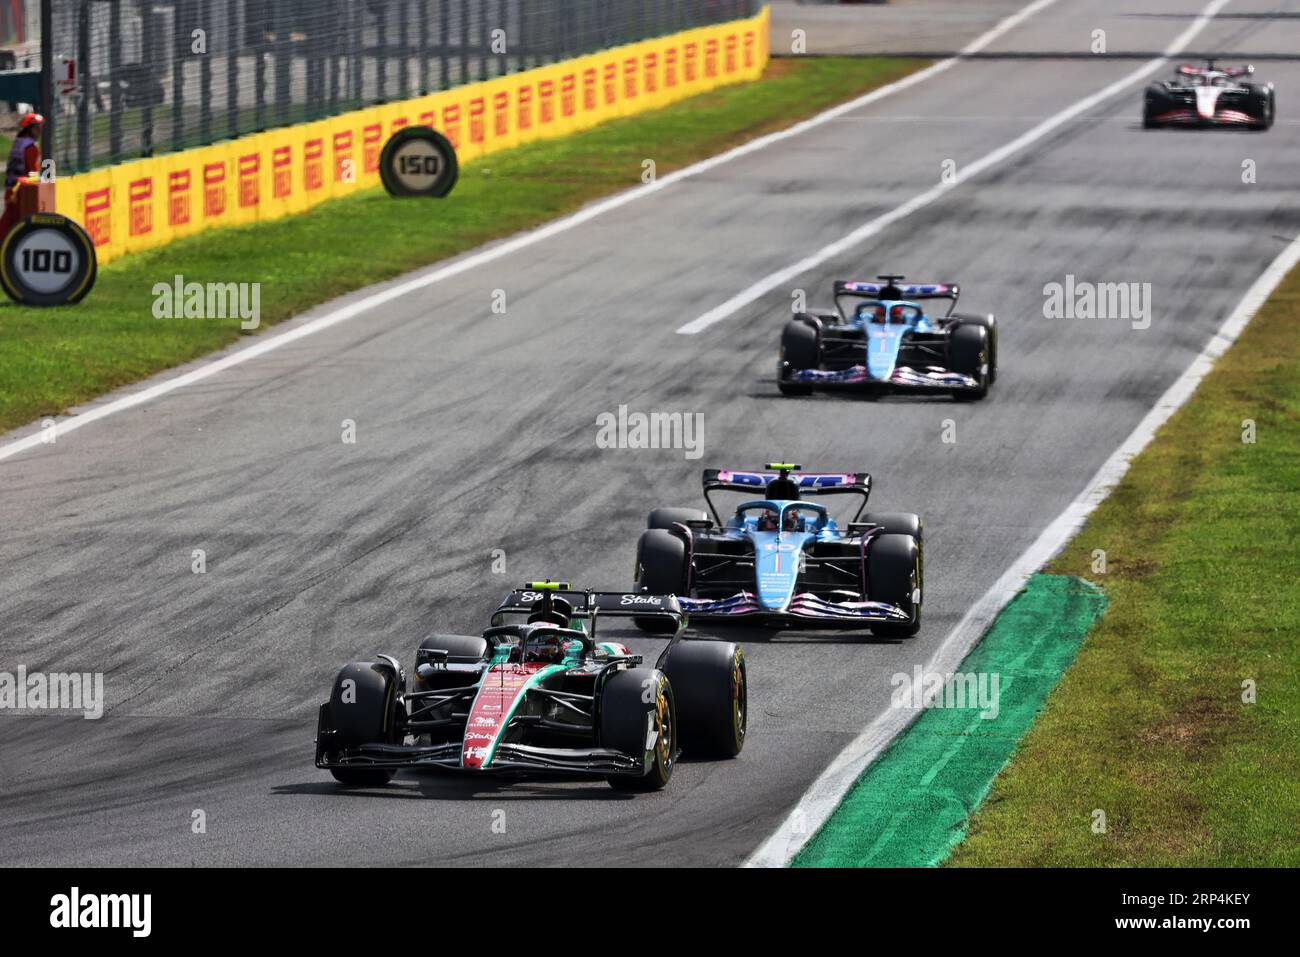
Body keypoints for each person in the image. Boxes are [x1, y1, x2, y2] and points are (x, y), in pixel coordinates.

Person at [0, 112, 42, 241]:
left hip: (10, 189)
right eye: (37, 128)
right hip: (21, 191)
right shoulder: (30, 147)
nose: (39, 132)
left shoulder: (18, 142)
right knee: (18, 223)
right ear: (30, 129)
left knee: (8, 222)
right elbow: (32, 172)